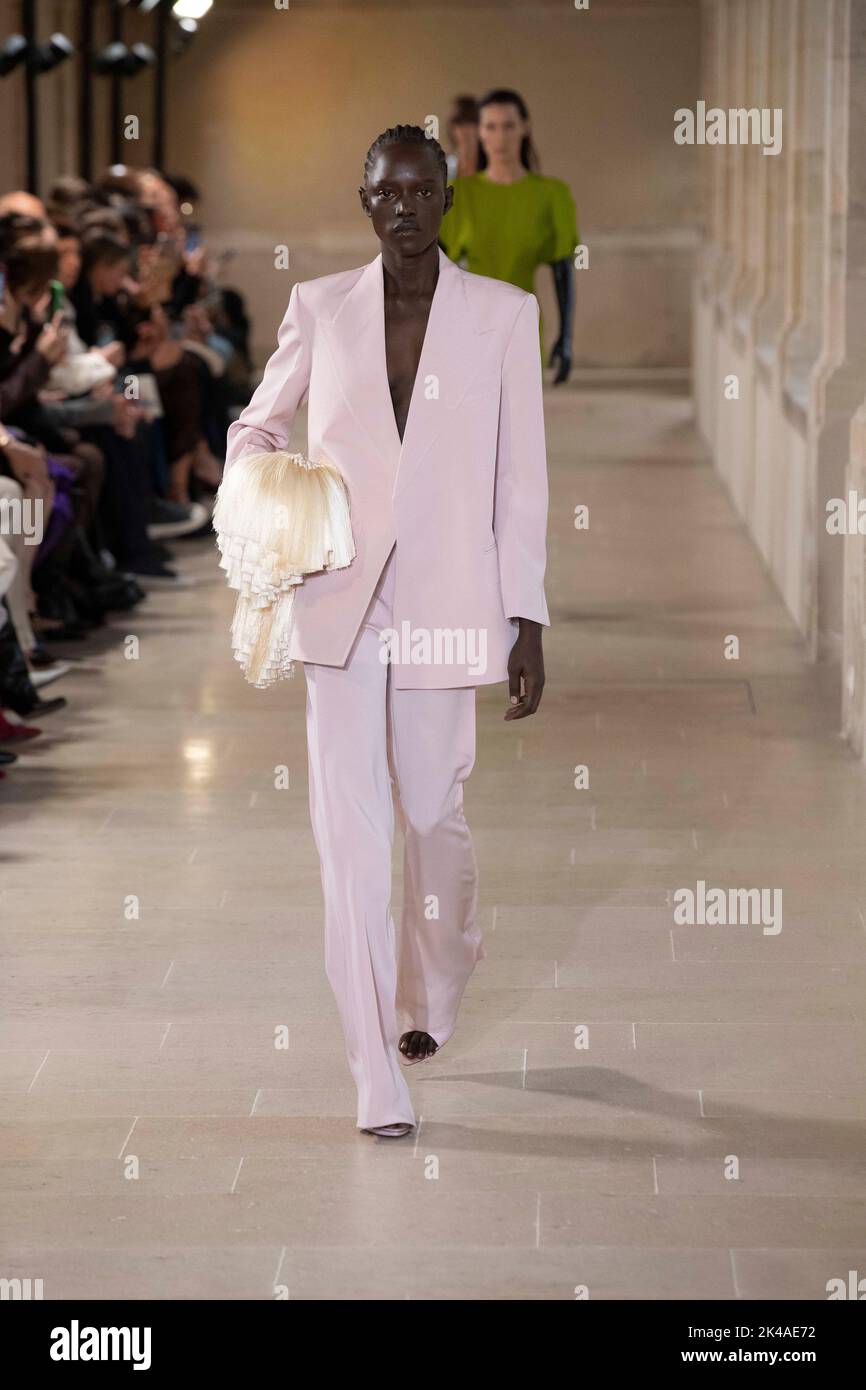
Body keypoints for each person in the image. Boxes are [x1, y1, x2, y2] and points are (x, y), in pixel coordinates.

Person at [223, 125, 549, 1140]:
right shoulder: (320, 309)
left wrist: (526, 615)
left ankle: (439, 975)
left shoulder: (500, 316)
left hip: (452, 603)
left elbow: (519, 478)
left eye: (420, 193)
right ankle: (374, 1070)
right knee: (351, 842)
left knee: (429, 822)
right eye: (384, 195)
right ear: (363, 202)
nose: (403, 210)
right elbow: (255, 427)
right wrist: (275, 497)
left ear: (446, 200)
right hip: (339, 599)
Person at [439, 87, 578, 383]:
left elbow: (563, 270)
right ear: (480, 132)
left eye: (509, 126)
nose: (500, 137)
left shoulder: (552, 195)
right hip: (467, 329)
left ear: (525, 128)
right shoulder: (459, 196)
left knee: (520, 425)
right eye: (491, 127)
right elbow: (435, 271)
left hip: (522, 328)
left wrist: (566, 338)